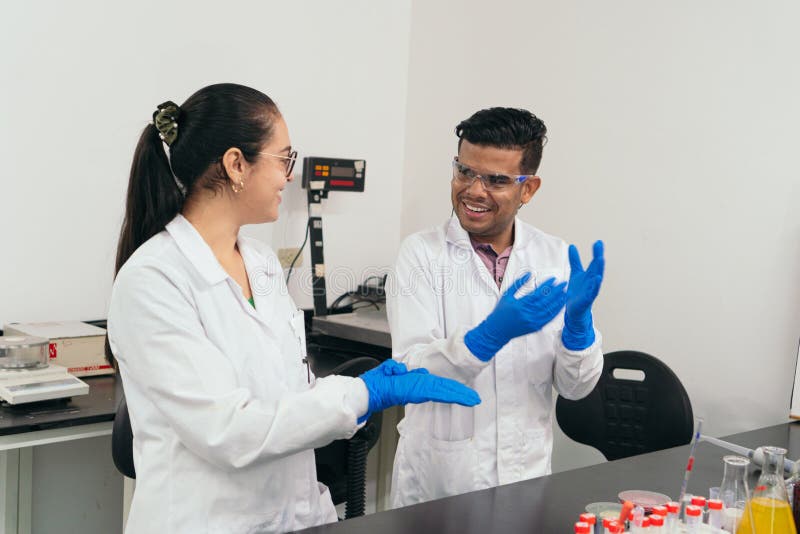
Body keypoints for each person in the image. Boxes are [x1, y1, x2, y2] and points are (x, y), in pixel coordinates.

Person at [106, 83, 480, 533]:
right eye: (284, 159)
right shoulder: (153, 279)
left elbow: (290, 396)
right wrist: (363, 394)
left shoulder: (260, 261)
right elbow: (227, 430)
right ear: (235, 165)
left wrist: (346, 398)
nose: (289, 175)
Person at [387, 107, 605, 507]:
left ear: (529, 188)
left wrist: (578, 328)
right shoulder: (420, 255)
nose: (474, 190)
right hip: (441, 486)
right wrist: (487, 337)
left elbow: (576, 388)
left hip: (526, 483)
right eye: (464, 172)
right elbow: (409, 372)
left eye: (496, 180)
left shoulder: (554, 258)